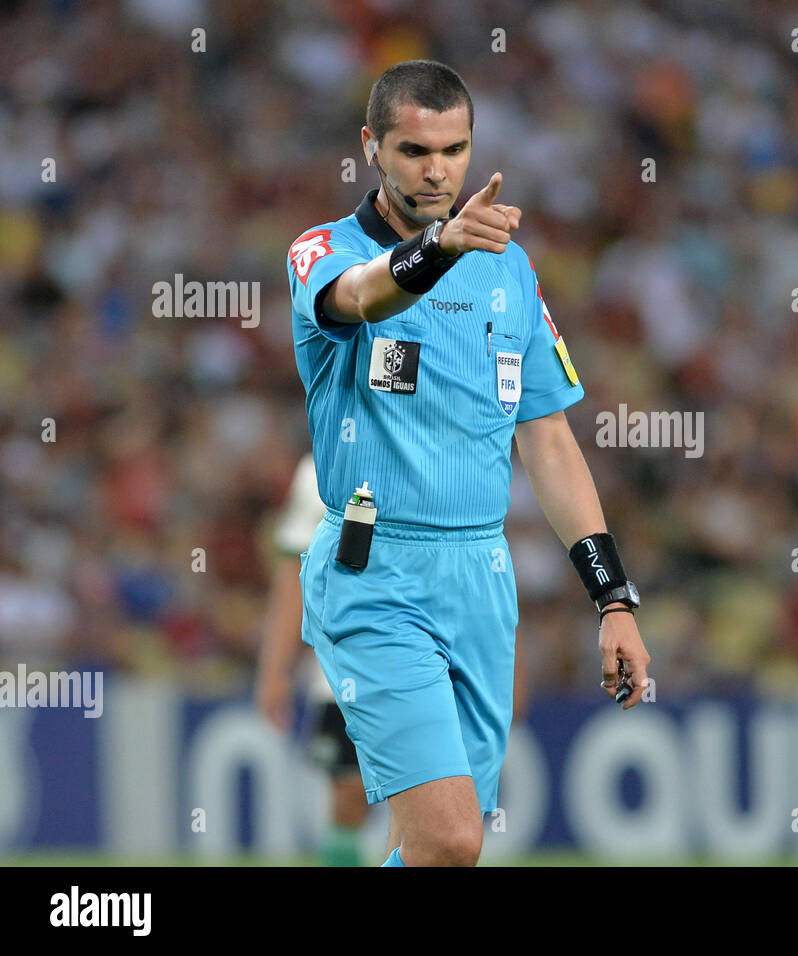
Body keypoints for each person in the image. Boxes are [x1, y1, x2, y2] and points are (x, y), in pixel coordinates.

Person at [285, 59, 651, 867]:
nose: (437, 169)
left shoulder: (510, 271)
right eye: (414, 149)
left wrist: (612, 599)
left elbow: (549, 443)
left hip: (482, 577)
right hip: (374, 572)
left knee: (441, 853)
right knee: (450, 840)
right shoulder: (323, 250)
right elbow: (361, 298)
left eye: (454, 149)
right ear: (371, 148)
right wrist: (441, 246)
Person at [255, 454, 368, 866]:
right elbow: (292, 576)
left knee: (423, 797)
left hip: (423, 658)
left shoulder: (438, 451)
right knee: (348, 792)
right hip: (340, 666)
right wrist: (274, 670)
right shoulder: (320, 466)